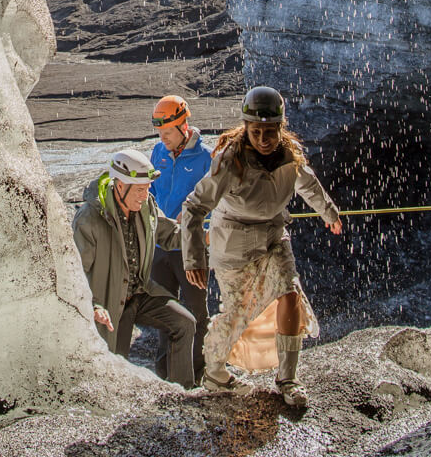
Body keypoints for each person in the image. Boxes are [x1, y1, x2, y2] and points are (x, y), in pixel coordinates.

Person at [179, 85, 342, 406]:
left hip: (273, 237)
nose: (264, 139)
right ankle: (214, 372)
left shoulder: (288, 156)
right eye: (256, 132)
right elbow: (194, 207)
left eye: (270, 131)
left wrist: (329, 212)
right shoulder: (230, 162)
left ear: (280, 128)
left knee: (290, 295)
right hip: (234, 245)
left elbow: (307, 182)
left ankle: (288, 379)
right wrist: (194, 258)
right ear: (246, 128)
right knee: (238, 312)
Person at [72, 147, 198, 388]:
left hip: (141, 293)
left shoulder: (146, 206)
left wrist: (203, 238)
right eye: (140, 189)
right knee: (114, 372)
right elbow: (76, 272)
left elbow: (170, 234)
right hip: (109, 303)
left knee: (184, 323)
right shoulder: (89, 219)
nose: (145, 195)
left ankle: (182, 393)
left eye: (147, 189)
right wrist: (94, 306)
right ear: (120, 186)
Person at [147, 94, 212, 384]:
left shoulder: (207, 158)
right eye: (160, 133)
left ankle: (198, 371)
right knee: (164, 309)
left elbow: (219, 197)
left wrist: (198, 217)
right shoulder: (157, 154)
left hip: (191, 248)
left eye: (168, 133)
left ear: (184, 126)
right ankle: (166, 373)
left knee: (197, 311)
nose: (163, 139)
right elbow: (149, 194)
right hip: (160, 246)